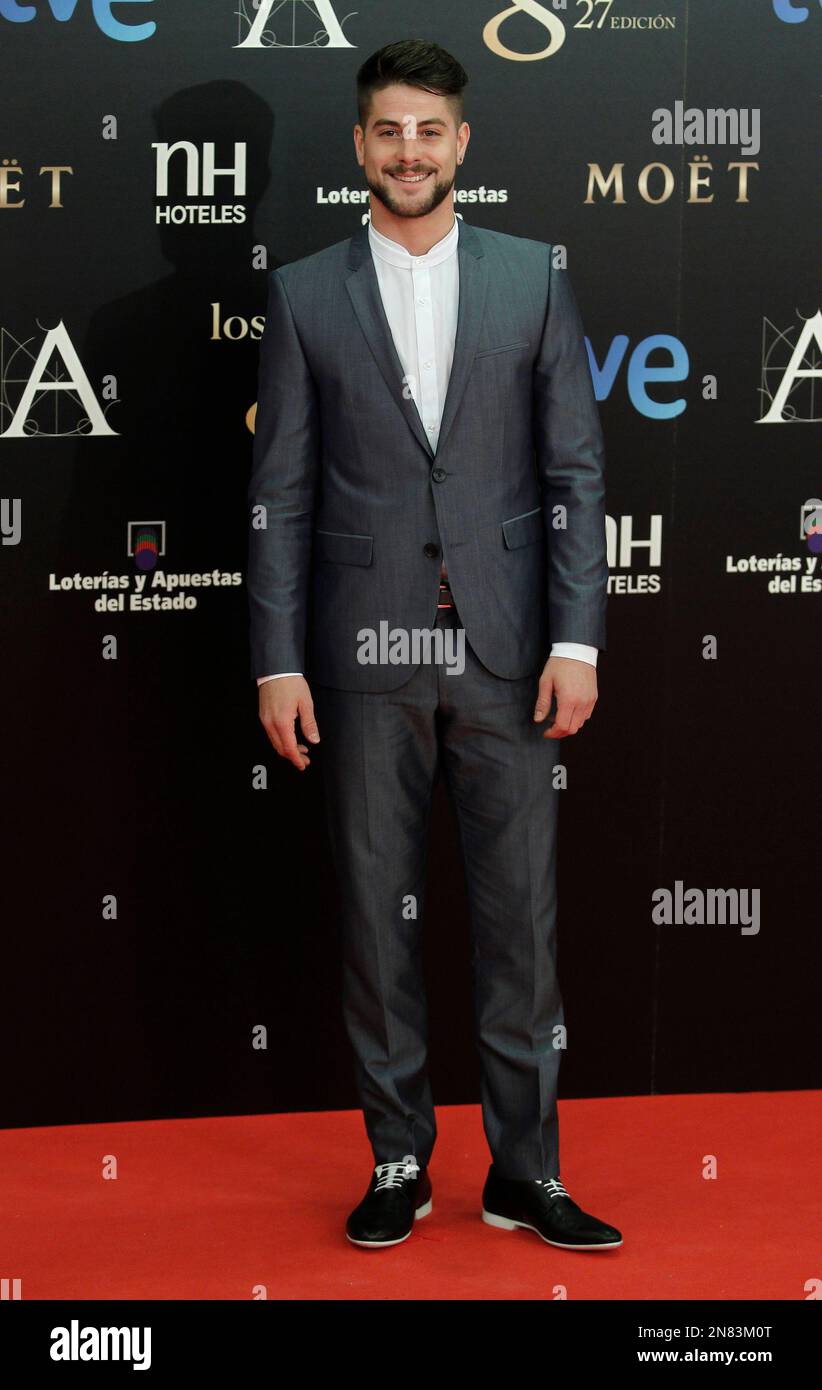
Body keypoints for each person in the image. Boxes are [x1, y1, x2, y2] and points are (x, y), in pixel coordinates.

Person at [247, 39, 622, 1253]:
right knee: (375, 919)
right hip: (361, 658)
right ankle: (398, 1157)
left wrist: (579, 638)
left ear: (464, 144)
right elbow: (282, 489)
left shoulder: (533, 277)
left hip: (509, 651)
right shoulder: (305, 291)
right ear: (359, 146)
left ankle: (526, 1172)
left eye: (430, 130)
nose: (409, 151)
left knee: (522, 922)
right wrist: (276, 658)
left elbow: (573, 471)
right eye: (388, 130)